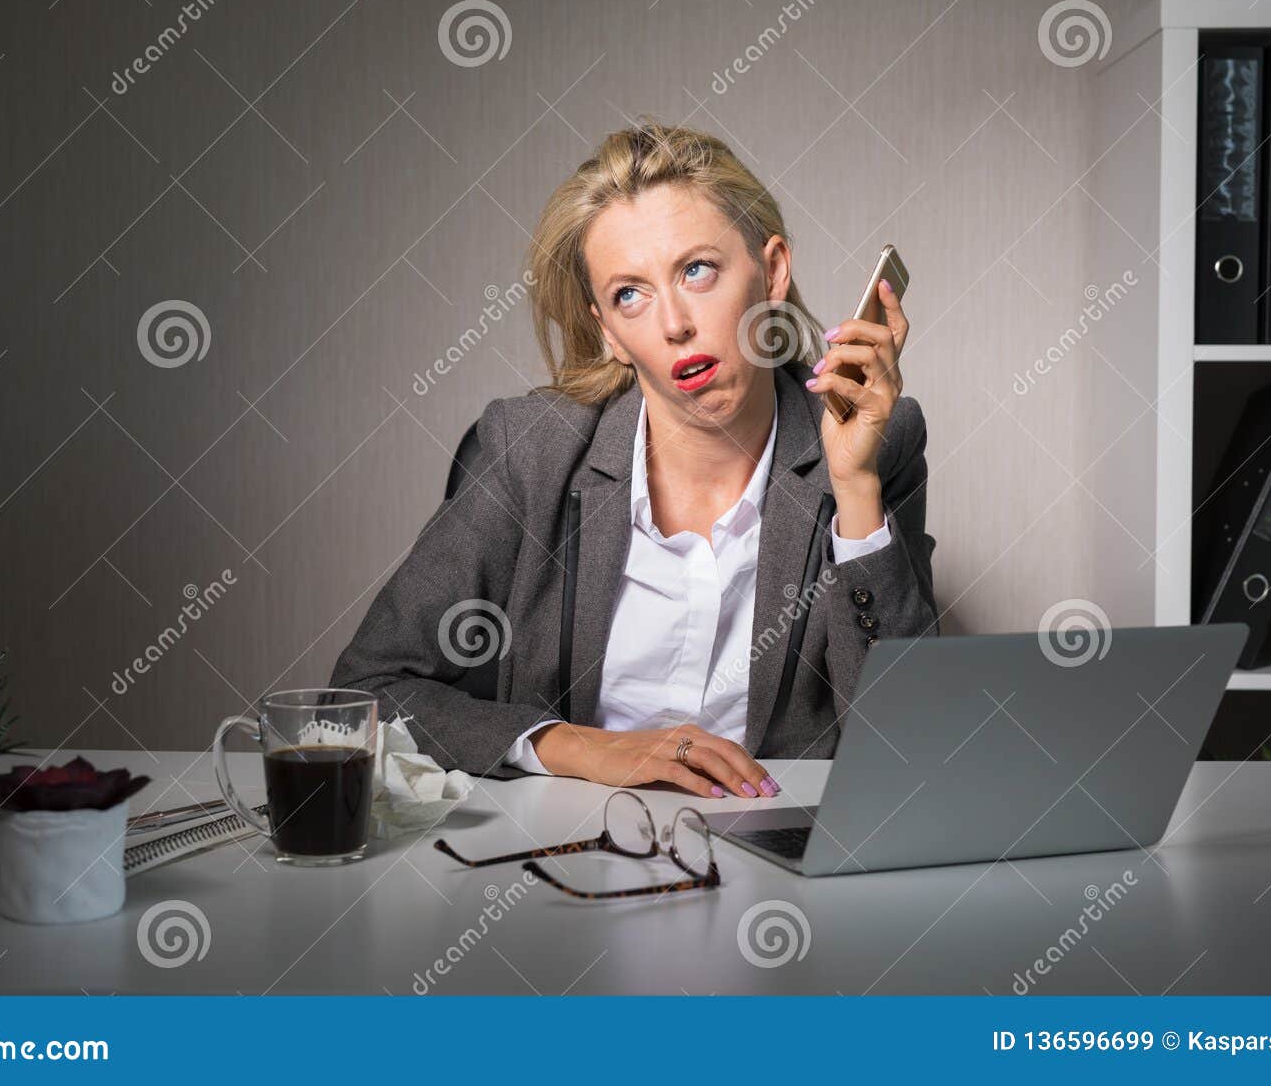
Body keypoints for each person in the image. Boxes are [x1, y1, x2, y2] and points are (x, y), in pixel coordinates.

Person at [329, 119, 937, 797]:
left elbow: (911, 741)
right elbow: (365, 694)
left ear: (770, 271)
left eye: (697, 270)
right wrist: (577, 747)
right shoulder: (530, 454)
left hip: (777, 872)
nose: (674, 321)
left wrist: (855, 488)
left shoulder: (877, 444)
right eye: (630, 294)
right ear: (608, 331)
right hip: (565, 861)